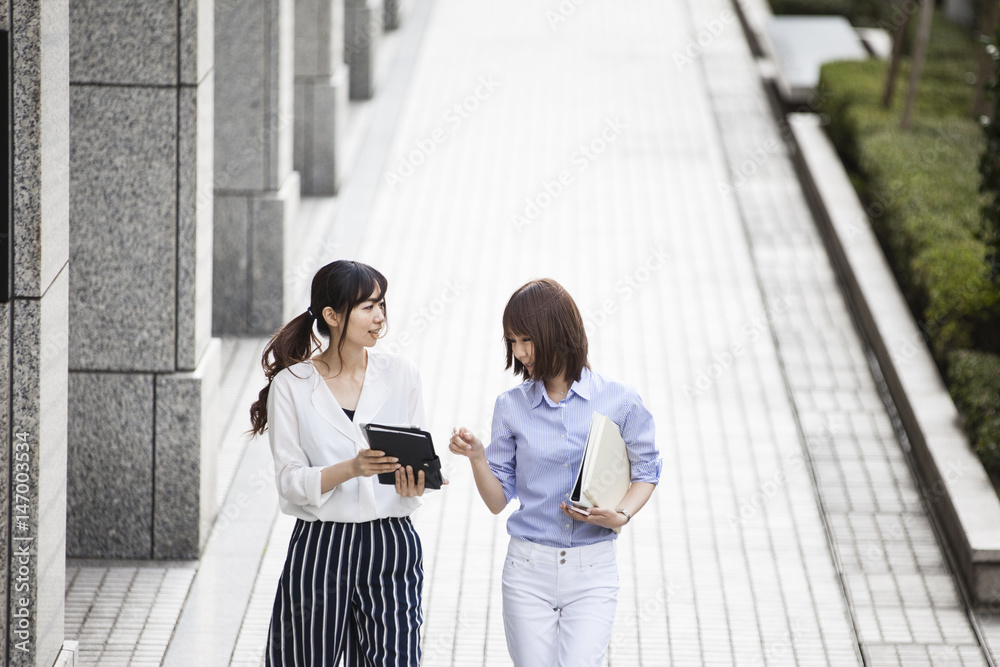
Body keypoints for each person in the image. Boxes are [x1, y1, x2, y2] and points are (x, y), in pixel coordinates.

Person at [449, 278, 661, 667]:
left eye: (526, 340)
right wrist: (478, 457)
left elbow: (647, 470)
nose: (519, 352)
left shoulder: (620, 399)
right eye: (512, 341)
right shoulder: (511, 406)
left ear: (558, 334)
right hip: (527, 569)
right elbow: (498, 502)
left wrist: (622, 514)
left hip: (593, 567)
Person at [249, 259, 435, 667]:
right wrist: (352, 467)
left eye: (382, 304)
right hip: (321, 547)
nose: (380, 317)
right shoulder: (292, 385)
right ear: (332, 316)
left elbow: (420, 460)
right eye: (368, 307)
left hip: (390, 543)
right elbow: (290, 482)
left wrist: (415, 482)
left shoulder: (402, 374)